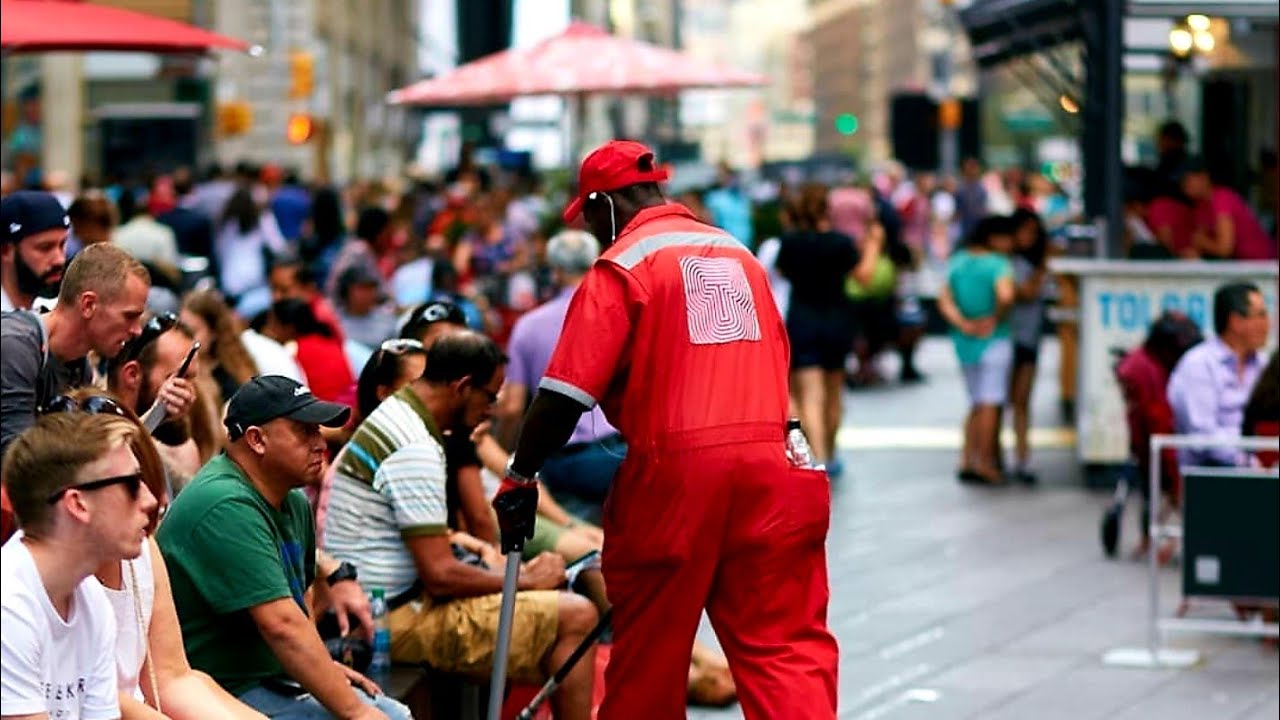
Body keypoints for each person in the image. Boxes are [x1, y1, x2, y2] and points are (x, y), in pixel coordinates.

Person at [495, 140, 838, 719]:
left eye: (590, 214)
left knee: (650, 655)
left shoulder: (623, 266)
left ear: (604, 203)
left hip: (677, 476)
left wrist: (521, 474)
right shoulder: (739, 257)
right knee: (783, 648)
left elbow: (563, 394)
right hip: (775, 468)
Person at [323, 333, 598, 720]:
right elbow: (440, 575)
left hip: (387, 602)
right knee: (579, 616)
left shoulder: (404, 417)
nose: (492, 410)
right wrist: (525, 581)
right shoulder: (413, 445)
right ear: (462, 386)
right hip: (391, 618)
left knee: (558, 642)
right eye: (489, 396)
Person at [156, 376, 407, 719]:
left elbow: (300, 608)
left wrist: (323, 670)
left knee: (391, 710)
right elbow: (283, 626)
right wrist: (357, 713)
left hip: (269, 679)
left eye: (319, 431)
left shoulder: (292, 500)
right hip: (216, 690)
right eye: (305, 432)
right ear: (257, 439)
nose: (321, 444)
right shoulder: (225, 504)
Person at [1, 412, 158, 719]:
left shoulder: (90, 598)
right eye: (131, 484)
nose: (150, 499)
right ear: (77, 503)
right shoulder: (8, 605)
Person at [1, 243, 194, 460]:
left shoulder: (78, 365)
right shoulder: (14, 346)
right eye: (129, 316)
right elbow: (16, 464)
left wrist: (159, 412)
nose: (137, 331)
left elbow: (92, 458)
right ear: (88, 305)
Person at [498, 229, 626, 509]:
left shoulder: (529, 326)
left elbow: (511, 408)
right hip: (620, 452)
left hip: (564, 463)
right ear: (596, 263)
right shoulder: (619, 312)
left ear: (555, 272)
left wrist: (507, 460)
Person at [775, 183, 879, 474]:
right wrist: (872, 246)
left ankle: (817, 456)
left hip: (803, 320)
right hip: (838, 320)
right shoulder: (841, 243)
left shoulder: (790, 242)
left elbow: (782, 273)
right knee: (834, 392)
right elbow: (865, 278)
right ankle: (831, 452)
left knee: (810, 395)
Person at [937, 215, 1015, 485]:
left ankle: (966, 458)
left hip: (965, 341)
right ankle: (984, 462)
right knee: (990, 402)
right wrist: (996, 317)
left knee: (975, 401)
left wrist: (963, 323)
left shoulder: (957, 261)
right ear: (993, 238)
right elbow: (1006, 295)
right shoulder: (998, 264)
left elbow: (944, 299)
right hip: (994, 337)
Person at [1167, 281, 1271, 466]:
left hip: (1260, 469)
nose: (1268, 323)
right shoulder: (1199, 365)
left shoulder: (1264, 364)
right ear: (1236, 322)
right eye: (1261, 315)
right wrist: (1248, 462)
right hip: (1211, 475)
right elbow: (1203, 437)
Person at [1006, 208, 1049, 483]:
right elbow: (1024, 293)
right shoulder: (1007, 263)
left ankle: (1023, 456)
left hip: (1030, 338)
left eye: (1033, 232)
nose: (1028, 237)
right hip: (1006, 337)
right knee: (1001, 400)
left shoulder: (1034, 263)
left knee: (1022, 400)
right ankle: (993, 454)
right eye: (1023, 231)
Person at [1180, 157, 1278, 261]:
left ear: (1204, 177)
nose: (1183, 185)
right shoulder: (1200, 207)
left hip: (1264, 266)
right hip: (1238, 267)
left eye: (1187, 180)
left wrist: (1203, 242)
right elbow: (1200, 241)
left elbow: (1225, 248)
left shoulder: (1222, 198)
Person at [1, 189, 68, 312]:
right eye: (45, 248)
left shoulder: (53, 312)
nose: (59, 260)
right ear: (5, 251)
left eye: (62, 245)